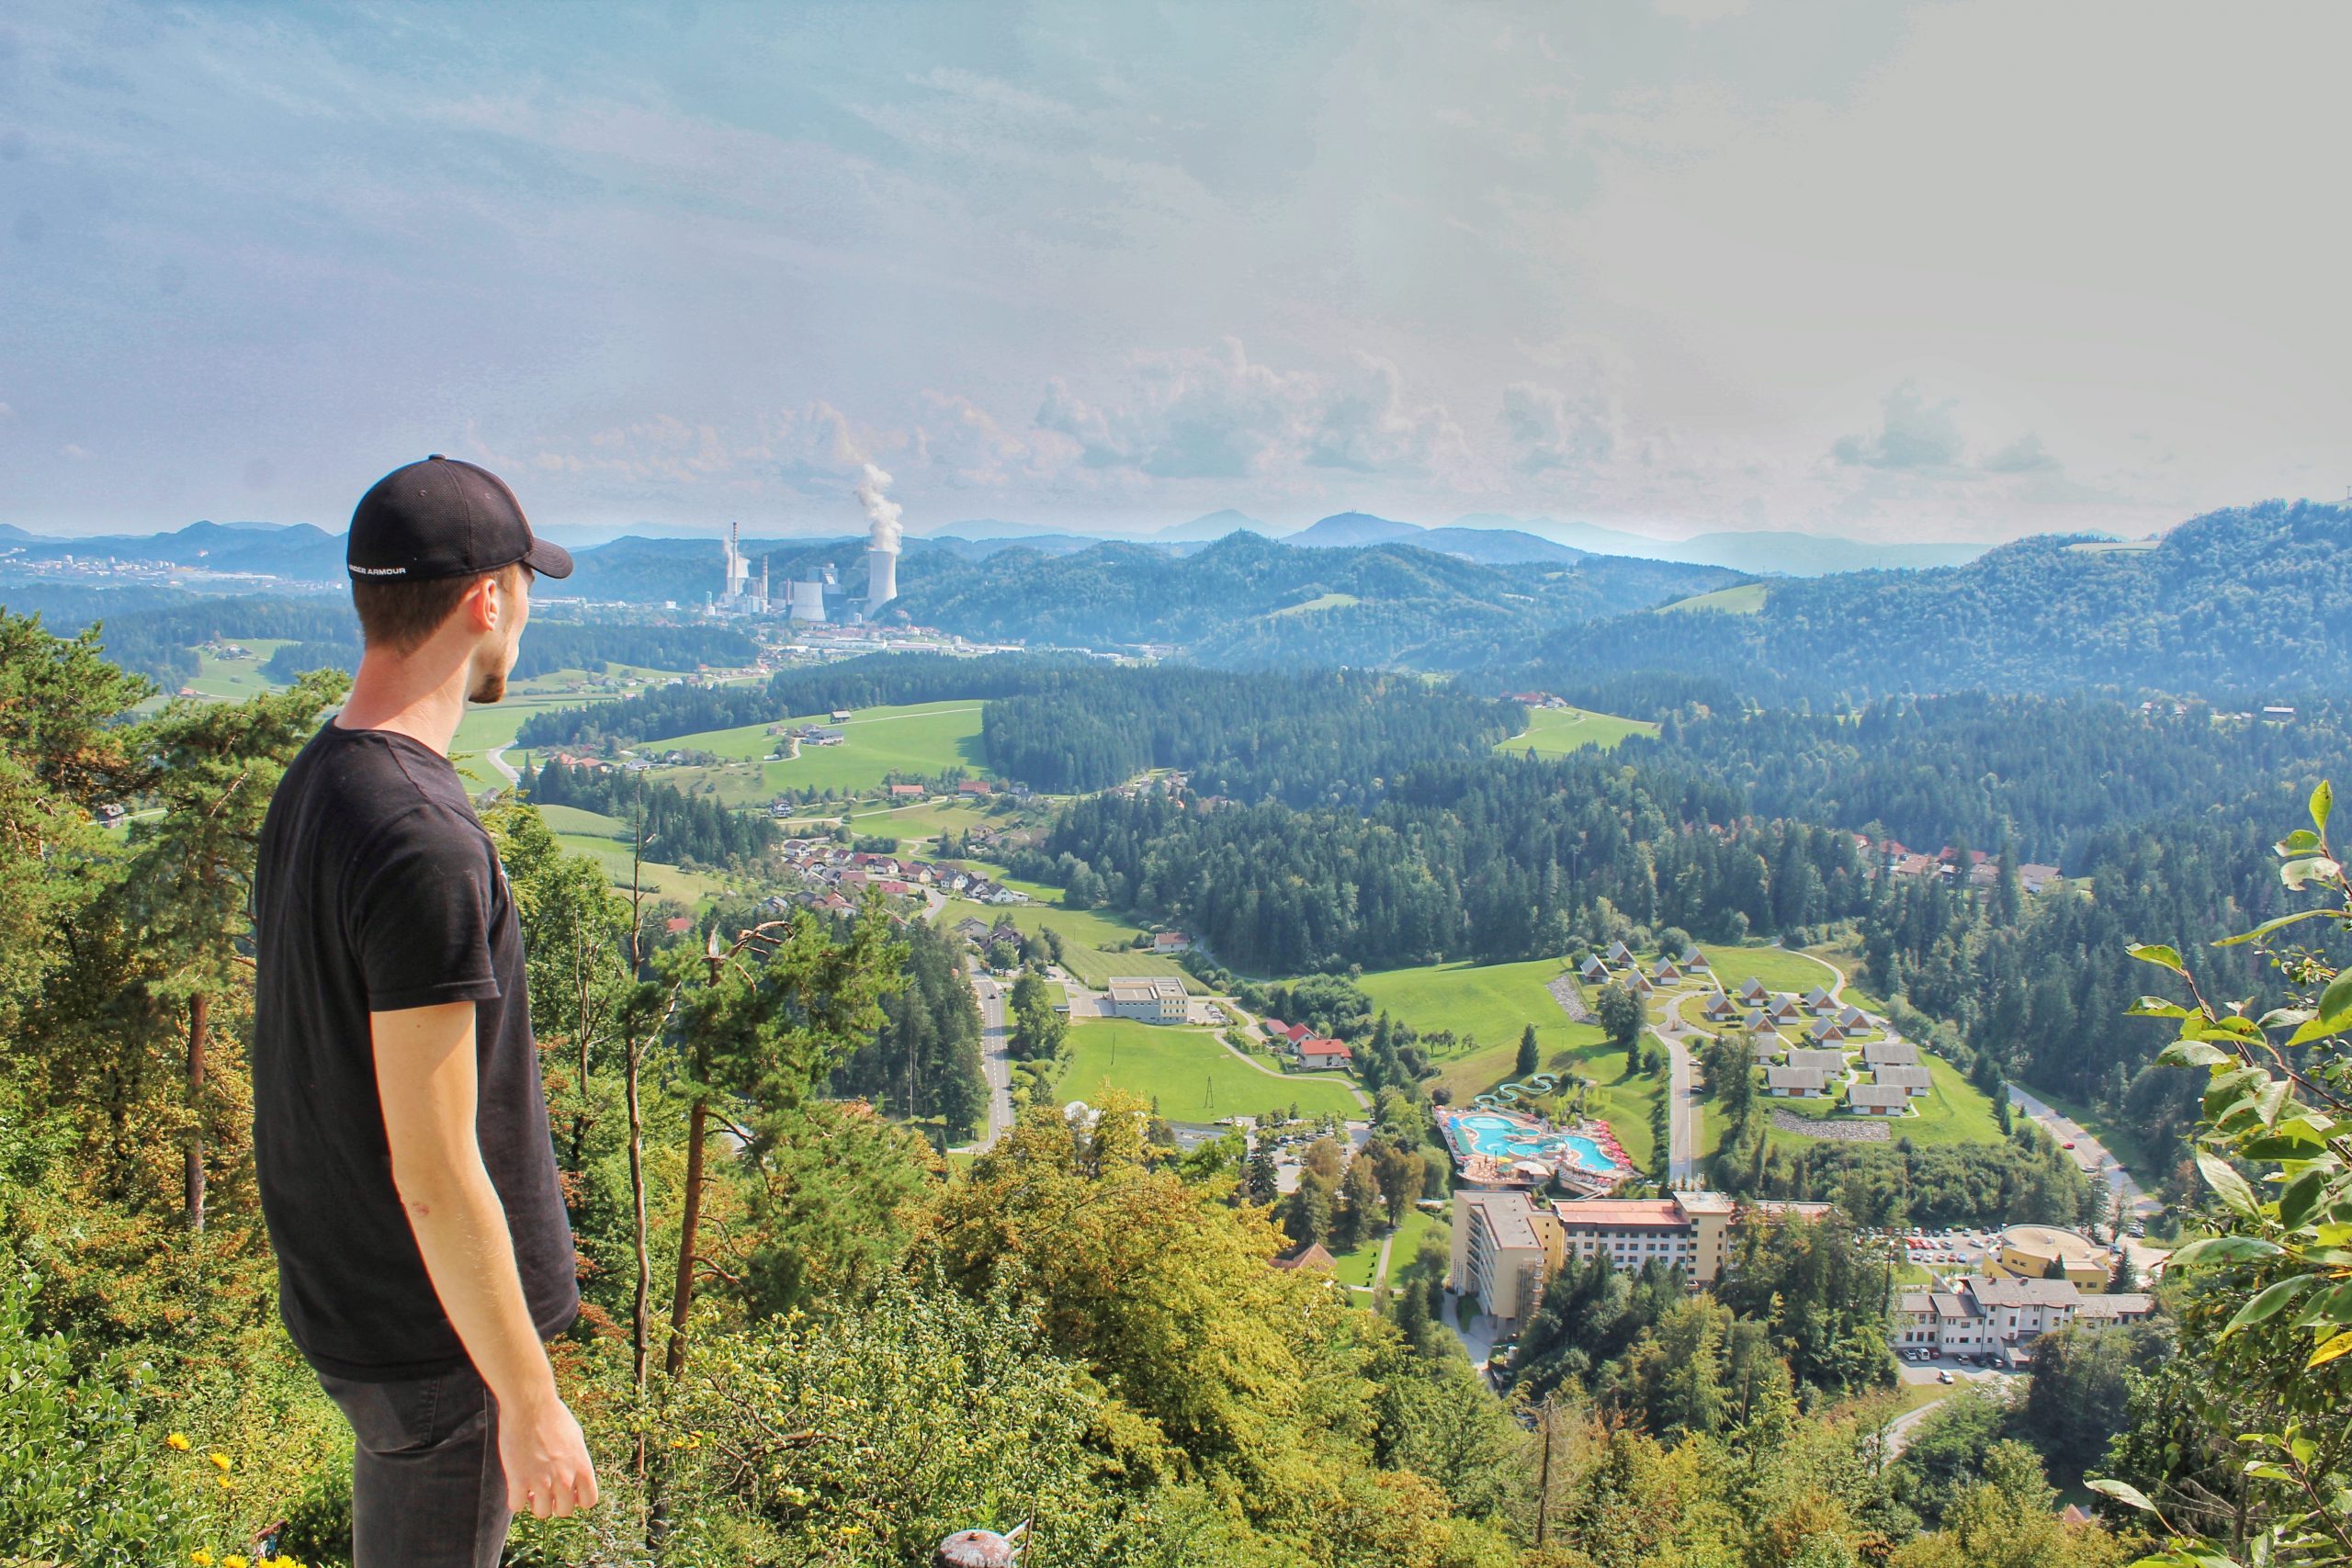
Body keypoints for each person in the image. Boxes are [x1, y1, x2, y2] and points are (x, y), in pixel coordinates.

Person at [251, 457, 596, 1566]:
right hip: (433, 1343)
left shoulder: (322, 778)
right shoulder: (423, 841)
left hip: (360, 1306)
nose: (526, 613)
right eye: (526, 585)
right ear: (483, 599)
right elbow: (436, 1170)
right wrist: (531, 1401)